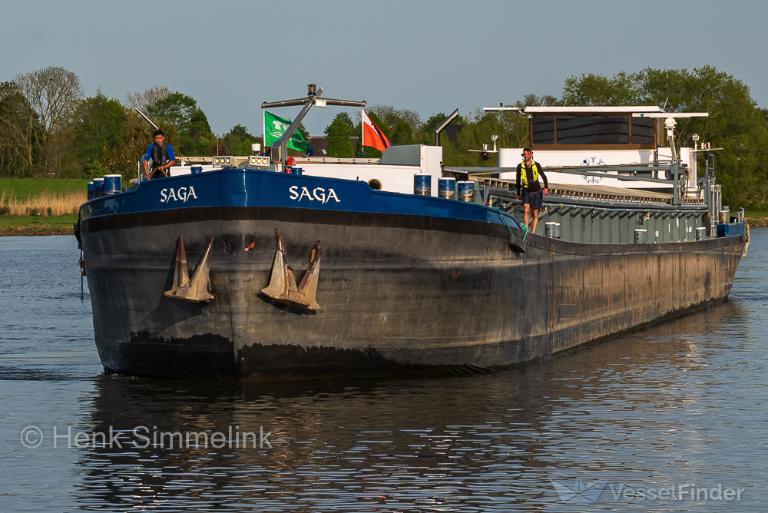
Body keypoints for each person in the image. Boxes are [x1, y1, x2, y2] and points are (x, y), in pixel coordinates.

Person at [515, 147, 549, 234]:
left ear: (531, 154)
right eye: (524, 154)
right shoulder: (520, 166)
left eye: (527, 154)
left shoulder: (537, 165)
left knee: (535, 213)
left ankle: (533, 232)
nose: (525, 156)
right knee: (526, 210)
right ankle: (526, 228)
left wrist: (546, 187)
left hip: (536, 192)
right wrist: (518, 193)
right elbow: (517, 180)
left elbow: (544, 176)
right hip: (526, 192)